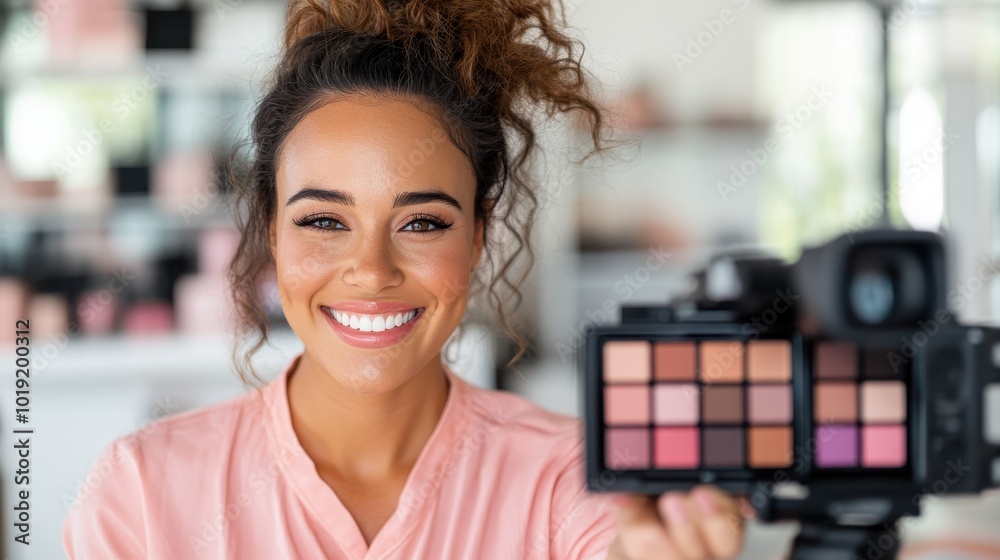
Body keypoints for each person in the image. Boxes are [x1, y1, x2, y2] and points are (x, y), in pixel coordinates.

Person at [62, 0, 749, 558]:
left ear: (477, 235)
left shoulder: (571, 480)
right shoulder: (140, 493)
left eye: (421, 223)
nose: (371, 271)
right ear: (271, 230)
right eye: (324, 221)